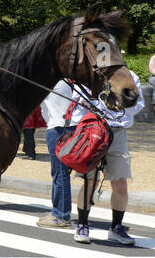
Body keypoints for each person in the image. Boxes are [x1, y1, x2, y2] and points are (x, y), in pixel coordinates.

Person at [68, 73, 144, 245]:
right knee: (90, 181)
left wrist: (121, 103)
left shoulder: (131, 77)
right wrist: (97, 101)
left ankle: (116, 227)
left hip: (118, 133)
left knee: (121, 185)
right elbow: (77, 98)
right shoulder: (91, 74)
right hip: (93, 129)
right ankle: (82, 224)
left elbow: (138, 104)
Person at [37, 80, 74, 228]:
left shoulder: (52, 81)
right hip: (69, 126)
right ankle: (59, 212)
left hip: (58, 128)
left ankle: (61, 215)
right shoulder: (68, 80)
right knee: (61, 172)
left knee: (60, 173)